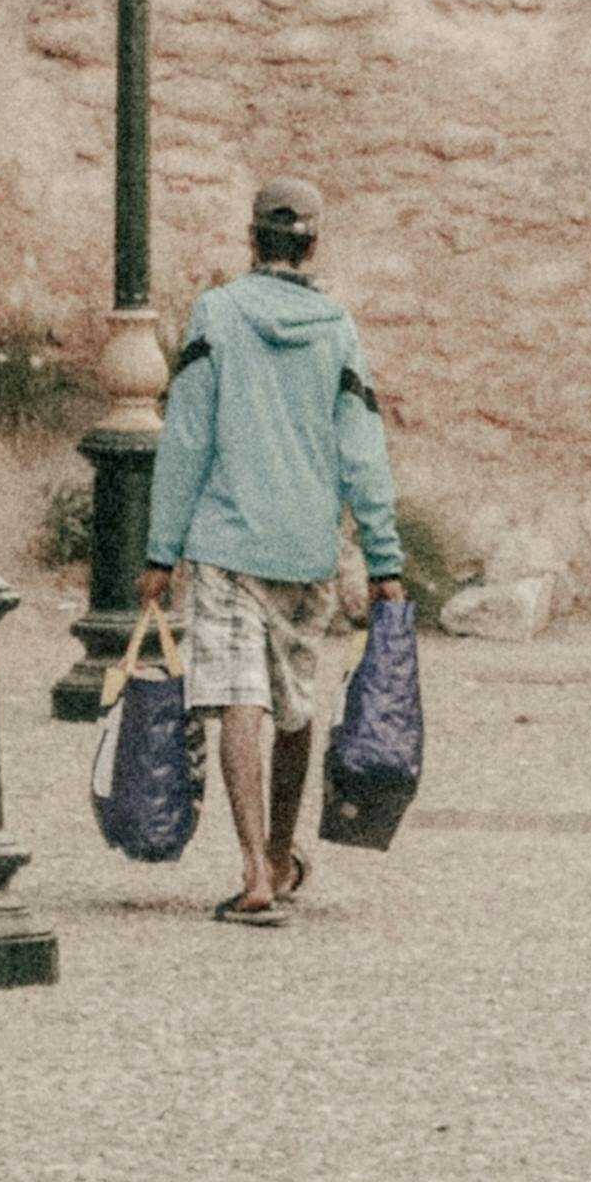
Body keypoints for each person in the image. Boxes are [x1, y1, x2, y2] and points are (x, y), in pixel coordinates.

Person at [134, 171, 405, 926]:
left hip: (226, 539)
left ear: (252, 240)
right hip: (306, 545)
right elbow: (363, 449)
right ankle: (283, 856)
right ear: (312, 246)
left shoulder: (216, 315)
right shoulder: (337, 329)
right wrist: (384, 559)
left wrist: (160, 551)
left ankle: (254, 870)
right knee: (294, 704)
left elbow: (186, 440)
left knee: (239, 702)